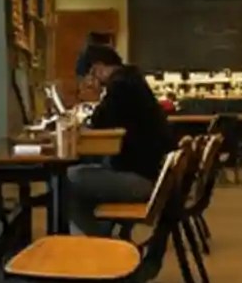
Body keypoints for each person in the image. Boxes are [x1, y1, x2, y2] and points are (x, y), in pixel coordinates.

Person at [67, 43, 176, 235]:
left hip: (141, 180)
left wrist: (97, 95)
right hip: (151, 174)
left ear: (96, 69)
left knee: (67, 178)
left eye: (88, 78)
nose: (89, 84)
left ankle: (99, 238)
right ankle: (97, 234)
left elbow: (100, 122)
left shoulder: (121, 85)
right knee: (82, 174)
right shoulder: (131, 79)